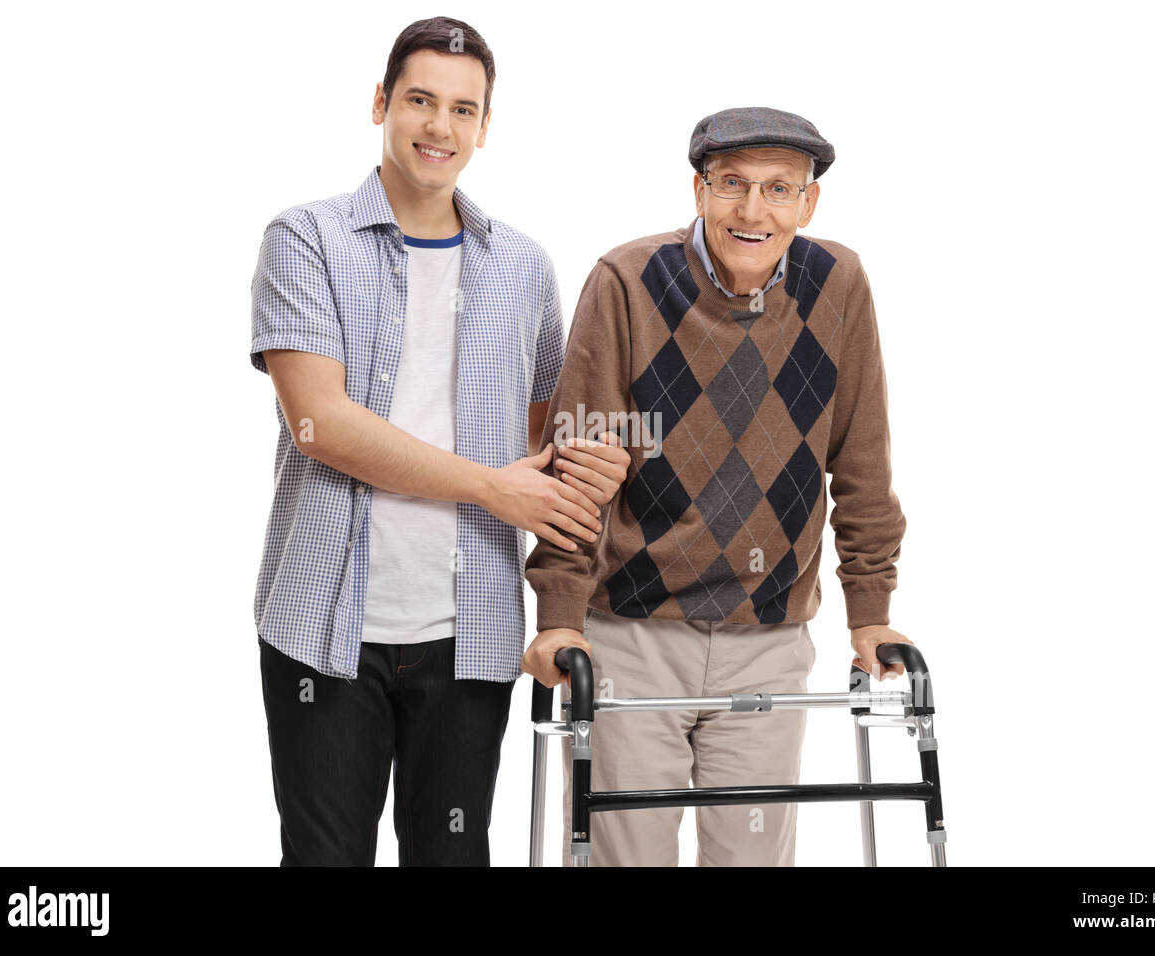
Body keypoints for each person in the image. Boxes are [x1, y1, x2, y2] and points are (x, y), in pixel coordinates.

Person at [248, 16, 629, 866]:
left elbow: (543, 437)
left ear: (485, 127)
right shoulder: (305, 239)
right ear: (380, 103)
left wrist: (598, 455)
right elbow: (321, 425)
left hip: (471, 630)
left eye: (463, 109)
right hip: (324, 622)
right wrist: (494, 488)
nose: (439, 127)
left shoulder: (523, 266)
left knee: (453, 854)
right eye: (420, 101)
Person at [522, 106, 914, 866]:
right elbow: (576, 462)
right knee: (625, 858)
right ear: (699, 190)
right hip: (632, 633)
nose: (752, 210)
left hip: (768, 636)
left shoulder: (838, 285)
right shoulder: (627, 281)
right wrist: (560, 615)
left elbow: (862, 459)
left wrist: (870, 614)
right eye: (732, 184)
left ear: (809, 203)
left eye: (778, 189)